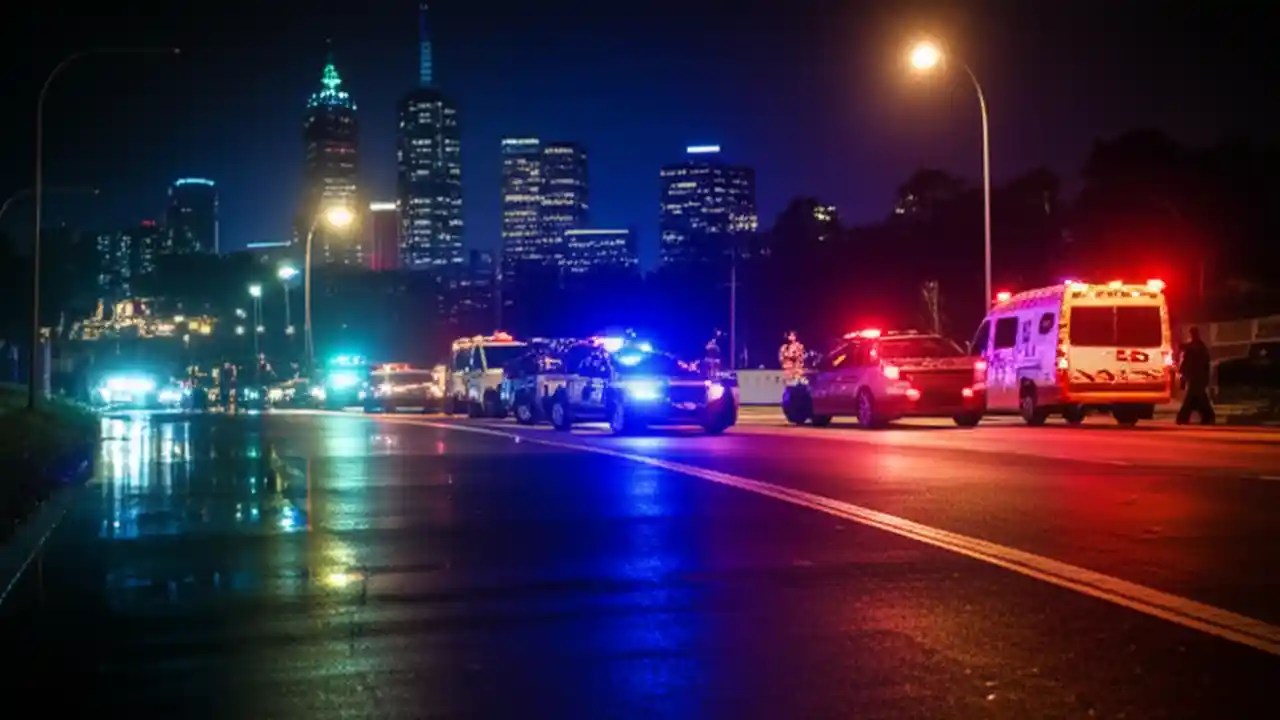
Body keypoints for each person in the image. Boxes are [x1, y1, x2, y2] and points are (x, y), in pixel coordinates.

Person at [1176, 326, 1215, 425]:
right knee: (1199, 398)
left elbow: (1189, 359)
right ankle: (1207, 417)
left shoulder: (1197, 347)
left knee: (1192, 398)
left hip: (1197, 377)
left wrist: (1184, 374)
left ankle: (1183, 418)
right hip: (1198, 377)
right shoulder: (1198, 346)